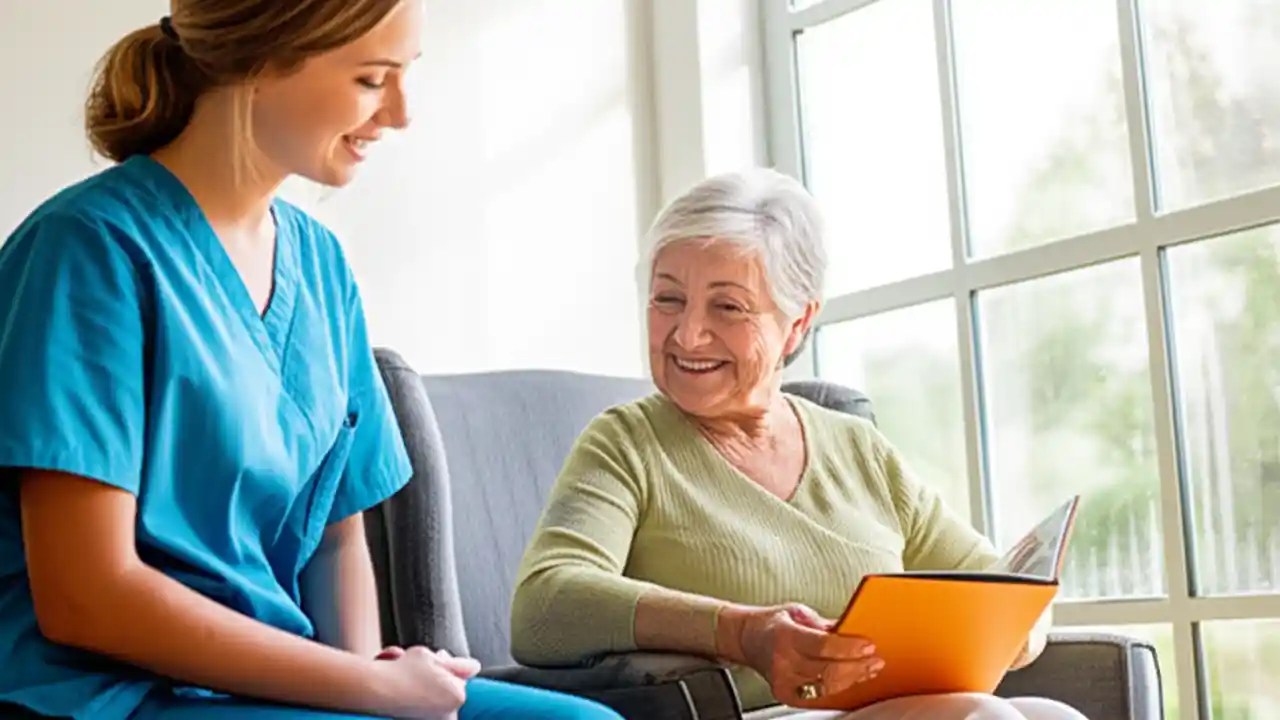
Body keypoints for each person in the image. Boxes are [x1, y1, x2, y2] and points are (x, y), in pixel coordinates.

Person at [0, 2, 622, 719]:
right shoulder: (89, 252)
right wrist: (363, 688)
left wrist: (374, 690)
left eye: (404, 77)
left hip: (279, 685)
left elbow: (334, 537)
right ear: (259, 61)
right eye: (371, 80)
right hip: (111, 693)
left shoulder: (320, 265)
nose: (399, 114)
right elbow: (86, 594)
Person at [509, 168, 1088, 720]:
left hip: (902, 708)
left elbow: (992, 581)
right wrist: (741, 632)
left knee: (1053, 714)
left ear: (798, 323)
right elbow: (543, 605)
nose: (687, 333)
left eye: (727, 306)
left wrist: (1018, 630)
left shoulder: (859, 448)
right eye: (668, 299)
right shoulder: (628, 444)